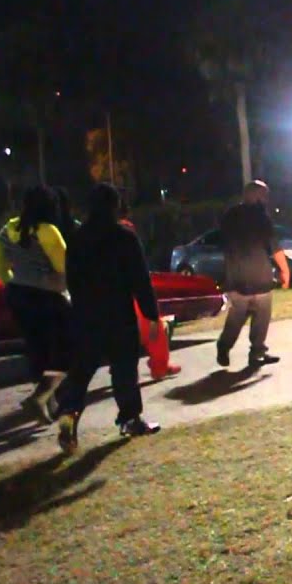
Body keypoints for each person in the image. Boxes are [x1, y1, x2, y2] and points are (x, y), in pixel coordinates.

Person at [53, 184, 162, 453]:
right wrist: (151, 314)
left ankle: (69, 410)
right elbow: (139, 278)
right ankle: (129, 418)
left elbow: (72, 279)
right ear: (114, 206)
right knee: (124, 369)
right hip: (118, 313)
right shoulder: (123, 237)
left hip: (86, 314)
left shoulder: (77, 239)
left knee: (83, 369)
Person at [0, 185, 71, 425]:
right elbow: (63, 266)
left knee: (37, 349)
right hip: (48, 297)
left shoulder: (7, 229)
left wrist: (16, 282)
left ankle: (48, 405)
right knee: (69, 348)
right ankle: (41, 397)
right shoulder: (48, 231)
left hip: (18, 296)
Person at [216, 180, 289, 369]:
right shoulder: (261, 217)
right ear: (255, 195)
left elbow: (222, 244)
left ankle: (226, 347)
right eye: (264, 195)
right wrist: (284, 270)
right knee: (260, 316)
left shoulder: (230, 216)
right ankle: (256, 351)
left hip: (238, 277)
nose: (266, 199)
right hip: (258, 275)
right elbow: (274, 247)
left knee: (238, 317)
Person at [116, 207, 181, 380]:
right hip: (131, 294)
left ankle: (124, 369)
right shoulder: (126, 235)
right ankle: (158, 366)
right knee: (154, 329)